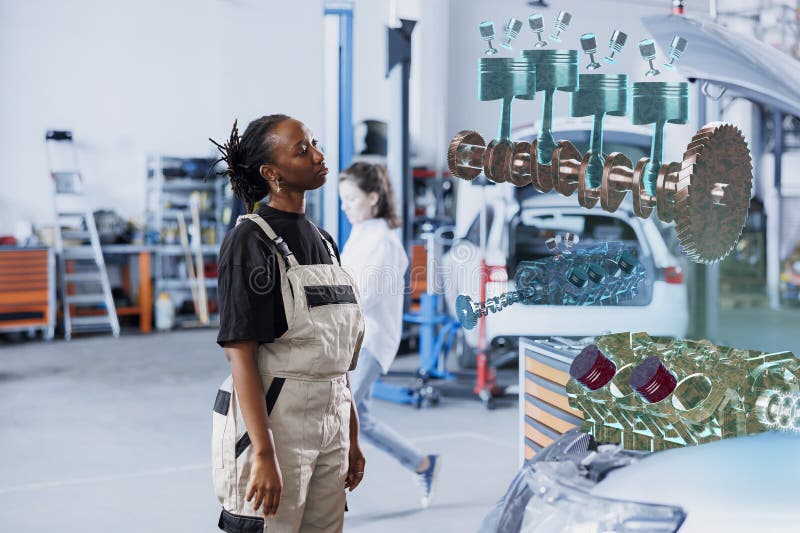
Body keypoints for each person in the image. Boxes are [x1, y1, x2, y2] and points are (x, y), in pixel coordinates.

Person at [210, 115, 366, 533]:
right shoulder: (250, 240)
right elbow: (240, 352)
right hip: (277, 417)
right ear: (271, 173)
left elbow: (336, 352)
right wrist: (263, 451)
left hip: (331, 416)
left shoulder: (325, 241)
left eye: (314, 143)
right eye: (302, 149)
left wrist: (351, 434)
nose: (318, 155)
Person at [338, 161, 441, 508]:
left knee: (340, 415)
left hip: (370, 342)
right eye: (342, 199)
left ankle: (327, 500)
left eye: (351, 199)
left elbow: (361, 296)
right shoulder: (361, 233)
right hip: (352, 339)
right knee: (358, 418)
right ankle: (422, 463)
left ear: (373, 197)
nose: (345, 206)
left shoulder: (383, 242)